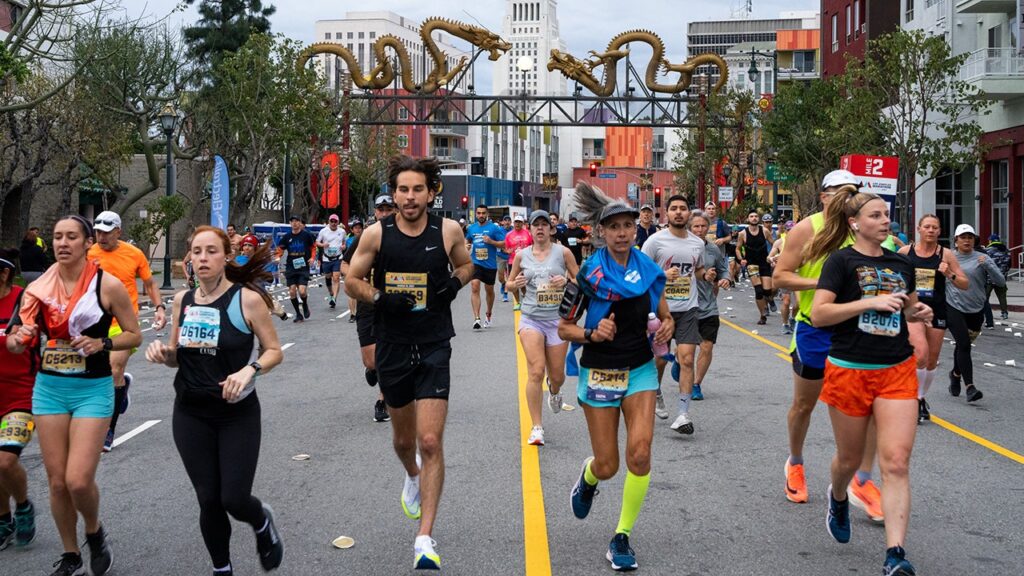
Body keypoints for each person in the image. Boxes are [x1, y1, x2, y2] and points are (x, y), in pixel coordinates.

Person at [344, 155, 473, 570]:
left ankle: (425, 538)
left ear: (431, 192)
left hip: (435, 343)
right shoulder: (375, 235)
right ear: (394, 193)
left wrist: (452, 285)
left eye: (418, 189)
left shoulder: (447, 229)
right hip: (394, 344)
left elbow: (469, 264)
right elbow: (352, 280)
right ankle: (412, 474)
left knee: (430, 441)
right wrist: (382, 298)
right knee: (404, 443)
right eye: (403, 189)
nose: (410, 197)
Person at [145, 225, 285, 576]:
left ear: (226, 256)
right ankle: (221, 568)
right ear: (188, 259)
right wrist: (165, 353)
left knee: (234, 499)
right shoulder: (183, 300)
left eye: (211, 251)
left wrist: (249, 370)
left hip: (236, 414)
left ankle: (261, 521)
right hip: (191, 411)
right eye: (196, 252)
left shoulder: (247, 299)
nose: (203, 258)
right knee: (208, 498)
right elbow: (179, 355)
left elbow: (273, 351)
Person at [6, 215, 141, 576]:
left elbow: (134, 334)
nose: (62, 243)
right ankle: (71, 554)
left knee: (78, 480)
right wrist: (18, 340)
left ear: (86, 244)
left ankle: (94, 534)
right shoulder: (38, 290)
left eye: (71, 237)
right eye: (57, 237)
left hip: (92, 390)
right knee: (56, 481)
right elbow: (16, 340)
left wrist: (103, 342)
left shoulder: (107, 286)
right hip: (50, 389)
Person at [808, 188, 933, 576]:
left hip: (895, 369)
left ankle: (895, 553)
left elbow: (907, 304)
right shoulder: (840, 262)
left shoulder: (901, 264)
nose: (885, 222)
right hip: (849, 368)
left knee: (895, 462)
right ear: (854, 223)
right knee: (848, 458)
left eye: (886, 215)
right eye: (876, 215)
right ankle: (839, 496)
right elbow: (820, 314)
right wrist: (869, 303)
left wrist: (918, 311)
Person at [559, 183, 673, 572]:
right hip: (600, 371)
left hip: (640, 369)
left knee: (639, 454)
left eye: (628, 225)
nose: (623, 232)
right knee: (608, 464)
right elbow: (563, 329)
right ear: (601, 232)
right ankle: (590, 477)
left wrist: (667, 327)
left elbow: (665, 313)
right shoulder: (587, 276)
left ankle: (621, 535)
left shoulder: (649, 270)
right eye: (615, 227)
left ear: (636, 230)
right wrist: (591, 333)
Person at [773, 171, 884, 522]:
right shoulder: (807, 228)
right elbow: (780, 276)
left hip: (858, 330)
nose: (847, 197)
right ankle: (795, 462)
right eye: (840, 192)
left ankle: (863, 481)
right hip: (815, 329)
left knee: (867, 410)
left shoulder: (863, 227)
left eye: (853, 192)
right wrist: (823, 282)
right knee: (804, 405)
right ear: (823, 197)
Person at [89, 210, 167, 452]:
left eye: (107, 232)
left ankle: (107, 431)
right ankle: (120, 392)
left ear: (118, 232)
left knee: (114, 369)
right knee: (95, 374)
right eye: (98, 231)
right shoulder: (89, 254)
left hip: (124, 324)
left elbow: (150, 283)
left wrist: (159, 307)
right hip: (93, 322)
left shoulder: (134, 254)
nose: (101, 237)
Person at [506, 210, 578, 446]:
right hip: (531, 319)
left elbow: (581, 280)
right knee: (536, 371)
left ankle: (554, 391)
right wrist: (514, 283)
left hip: (557, 321)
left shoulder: (563, 252)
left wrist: (566, 280)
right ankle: (537, 427)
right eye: (535, 225)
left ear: (551, 229)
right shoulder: (521, 256)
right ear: (530, 229)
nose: (539, 228)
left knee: (557, 375)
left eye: (544, 224)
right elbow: (507, 283)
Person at [641, 195, 706, 434]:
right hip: (660, 310)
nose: (679, 213)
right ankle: (655, 392)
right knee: (660, 359)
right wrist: (662, 276)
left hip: (689, 308)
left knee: (687, 358)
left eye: (683, 209)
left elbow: (697, 269)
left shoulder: (697, 243)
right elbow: (640, 273)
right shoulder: (655, 242)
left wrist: (706, 275)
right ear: (666, 213)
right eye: (674, 209)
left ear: (689, 213)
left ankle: (683, 413)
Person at [897, 215, 967, 422]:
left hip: (937, 309)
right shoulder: (904, 252)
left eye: (934, 227)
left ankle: (920, 397)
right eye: (926, 226)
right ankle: (914, 399)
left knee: (932, 359)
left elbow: (965, 283)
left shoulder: (946, 255)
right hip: (913, 309)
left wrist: (949, 274)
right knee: (921, 354)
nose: (930, 230)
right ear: (918, 229)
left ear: (939, 231)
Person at [341, 194, 397, 423]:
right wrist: (356, 280)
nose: (384, 213)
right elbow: (345, 264)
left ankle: (382, 401)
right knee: (371, 361)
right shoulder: (366, 235)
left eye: (388, 209)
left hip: (393, 304)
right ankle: (372, 370)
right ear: (375, 212)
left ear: (395, 210)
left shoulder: (403, 235)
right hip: (367, 301)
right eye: (380, 209)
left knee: (388, 354)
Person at [0, 248, 39, 551]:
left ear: (4, 273)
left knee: (4, 461)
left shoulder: (24, 302)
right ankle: (4, 519)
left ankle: (23, 505)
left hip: (21, 395)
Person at [946, 224, 1006, 403]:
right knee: (963, 344)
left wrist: (989, 265)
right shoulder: (948, 257)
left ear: (974, 240)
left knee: (962, 346)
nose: (966, 240)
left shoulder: (983, 257)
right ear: (956, 240)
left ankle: (955, 374)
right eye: (963, 237)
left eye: (970, 237)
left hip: (976, 308)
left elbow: (1000, 282)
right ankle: (970, 387)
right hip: (953, 306)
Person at [687, 211, 732, 404]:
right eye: (696, 226)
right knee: (686, 352)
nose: (699, 230)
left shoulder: (713, 249)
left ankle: (696, 384)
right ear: (689, 228)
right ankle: (681, 362)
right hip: (684, 306)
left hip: (708, 305)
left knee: (706, 345)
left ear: (708, 227)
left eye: (703, 226)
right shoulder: (681, 247)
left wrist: (725, 279)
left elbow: (724, 269)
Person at [465, 204, 505, 330]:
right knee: (475, 286)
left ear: (487, 214)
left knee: (489, 290)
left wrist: (491, 242)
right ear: (476, 214)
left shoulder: (494, 228)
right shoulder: (472, 228)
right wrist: (466, 245)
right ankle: (476, 318)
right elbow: (468, 240)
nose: (481, 215)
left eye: (483, 213)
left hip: (490, 264)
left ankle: (488, 313)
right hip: (476, 263)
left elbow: (503, 243)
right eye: (479, 213)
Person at [736, 211, 776, 324]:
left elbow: (774, 244)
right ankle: (763, 315)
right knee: (758, 291)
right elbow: (738, 248)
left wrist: (774, 256)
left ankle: (770, 299)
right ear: (748, 219)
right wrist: (741, 259)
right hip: (751, 264)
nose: (754, 218)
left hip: (764, 263)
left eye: (755, 216)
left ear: (758, 219)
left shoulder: (765, 231)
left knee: (767, 291)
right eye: (751, 216)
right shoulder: (742, 234)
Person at [279, 215, 317, 323]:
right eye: (292, 221)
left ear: (300, 223)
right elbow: (280, 248)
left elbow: (313, 247)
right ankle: (298, 314)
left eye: (297, 221)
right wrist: (278, 256)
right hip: (291, 266)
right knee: (291, 291)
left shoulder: (306, 235)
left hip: (303, 266)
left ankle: (305, 304)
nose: (295, 223)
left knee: (302, 291)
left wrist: (312, 258)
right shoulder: (287, 236)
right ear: (290, 223)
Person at [767, 220, 797, 334]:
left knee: (798, 304)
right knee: (786, 301)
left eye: (793, 229)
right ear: (786, 231)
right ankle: (785, 324)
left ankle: (793, 318)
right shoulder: (779, 242)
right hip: (785, 274)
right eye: (789, 230)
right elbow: (769, 257)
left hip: (799, 274)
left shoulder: (803, 242)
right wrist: (772, 260)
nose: (792, 232)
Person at [316, 214, 347, 310]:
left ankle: (334, 299)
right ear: (329, 221)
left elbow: (344, 242)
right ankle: (331, 293)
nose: (333, 223)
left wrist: (343, 247)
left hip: (338, 258)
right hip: (326, 258)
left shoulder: (342, 231)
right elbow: (317, 242)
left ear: (338, 222)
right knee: (328, 277)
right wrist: (322, 245)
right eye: (331, 221)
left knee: (336, 277)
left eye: (335, 222)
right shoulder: (323, 231)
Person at [503, 214, 534, 310]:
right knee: (513, 282)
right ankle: (517, 302)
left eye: (520, 222)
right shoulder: (509, 235)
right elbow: (505, 248)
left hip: (526, 262)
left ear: (522, 223)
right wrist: (508, 251)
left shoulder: (528, 234)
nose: (517, 224)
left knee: (524, 282)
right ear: (514, 223)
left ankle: (526, 300)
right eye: (516, 222)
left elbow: (533, 245)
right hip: (513, 261)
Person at [982, 233, 1011, 325]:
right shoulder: (1006, 250)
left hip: (989, 278)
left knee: (985, 297)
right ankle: (1004, 312)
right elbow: (1009, 264)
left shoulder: (987, 251)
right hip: (1001, 278)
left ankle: (983, 313)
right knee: (1002, 296)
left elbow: (984, 264)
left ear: (990, 241)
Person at [496, 215, 513, 303]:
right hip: (501, 256)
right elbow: (497, 242)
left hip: (511, 257)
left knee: (509, 276)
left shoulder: (513, 230)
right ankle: (503, 283)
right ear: (502, 222)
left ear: (511, 222)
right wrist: (504, 249)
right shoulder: (499, 230)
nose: (507, 222)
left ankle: (505, 295)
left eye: (508, 220)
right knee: (500, 277)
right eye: (505, 220)